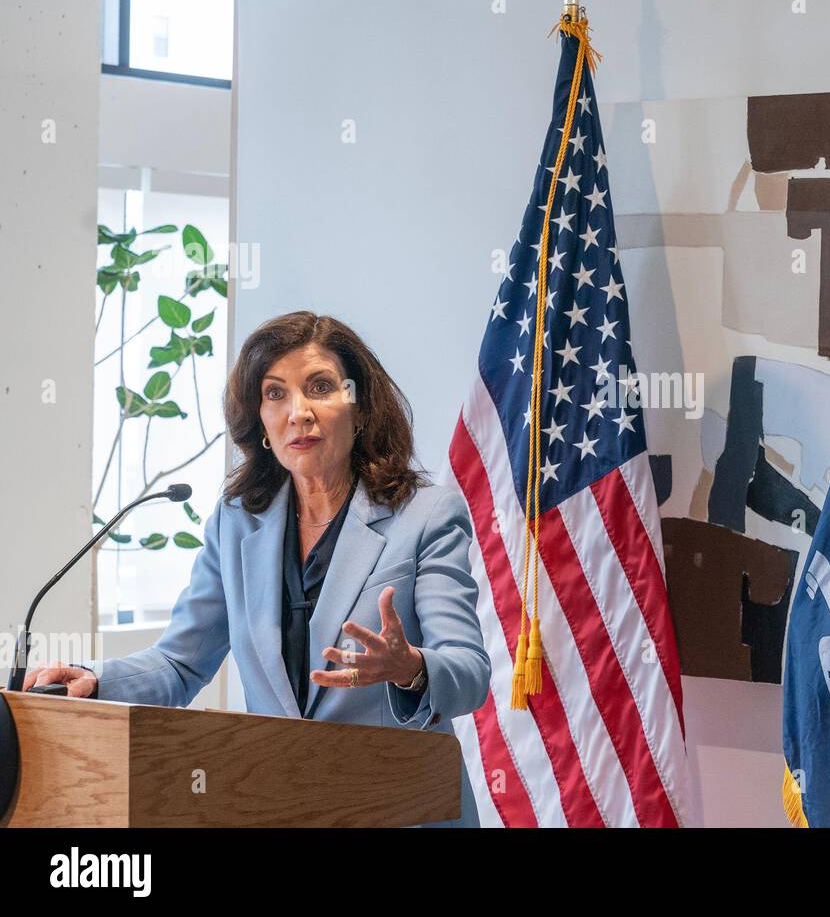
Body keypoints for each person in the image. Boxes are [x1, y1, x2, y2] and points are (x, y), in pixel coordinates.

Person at [26, 311, 490, 827]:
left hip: (401, 809)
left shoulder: (426, 515)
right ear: (261, 422)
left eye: (320, 387)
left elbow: (469, 673)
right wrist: (95, 681)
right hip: (278, 806)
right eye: (276, 394)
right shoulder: (236, 522)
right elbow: (180, 663)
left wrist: (412, 668)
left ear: (359, 409)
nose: (299, 412)